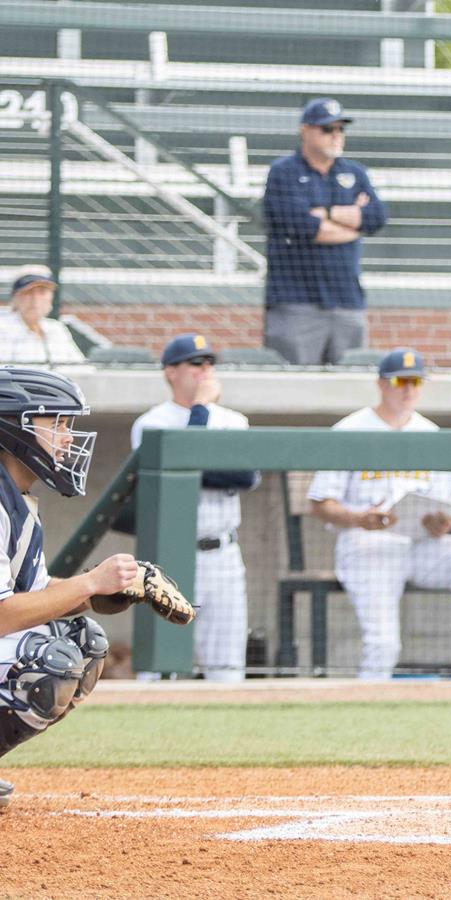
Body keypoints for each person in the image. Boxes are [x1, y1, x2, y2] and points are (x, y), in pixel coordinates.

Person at [0, 368, 140, 810]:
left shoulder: (16, 500)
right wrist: (89, 581)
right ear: (12, 427)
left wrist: (102, 591)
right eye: (55, 423)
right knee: (46, 664)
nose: (66, 437)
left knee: (84, 640)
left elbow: (34, 595)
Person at [306, 348, 451, 679]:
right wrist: (358, 518)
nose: (408, 389)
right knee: (383, 644)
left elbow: (441, 503)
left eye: (416, 382)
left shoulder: (430, 434)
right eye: (400, 381)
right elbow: (321, 502)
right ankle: (367, 703)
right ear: (382, 384)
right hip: (368, 544)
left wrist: (441, 524)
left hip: (420, 544)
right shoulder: (350, 430)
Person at [130, 334, 259, 682]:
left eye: (209, 363)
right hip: (168, 554)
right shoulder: (152, 422)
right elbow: (183, 466)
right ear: (171, 371)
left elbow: (245, 476)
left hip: (223, 550)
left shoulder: (234, 420)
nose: (205, 371)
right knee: (161, 665)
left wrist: (201, 470)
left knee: (227, 663)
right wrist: (200, 412)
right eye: (195, 363)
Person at [262, 98, 388, 365]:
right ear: (305, 131)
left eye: (340, 129)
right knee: (294, 393)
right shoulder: (283, 172)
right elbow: (302, 225)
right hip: (295, 303)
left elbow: (376, 218)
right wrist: (353, 223)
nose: (336, 136)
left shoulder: (355, 172)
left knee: (350, 390)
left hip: (347, 301)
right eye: (327, 129)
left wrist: (326, 213)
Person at [0, 267, 85, 364]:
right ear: (15, 298)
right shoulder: (3, 329)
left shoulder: (56, 328)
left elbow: (80, 367)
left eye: (42, 292)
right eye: (29, 292)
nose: (36, 299)